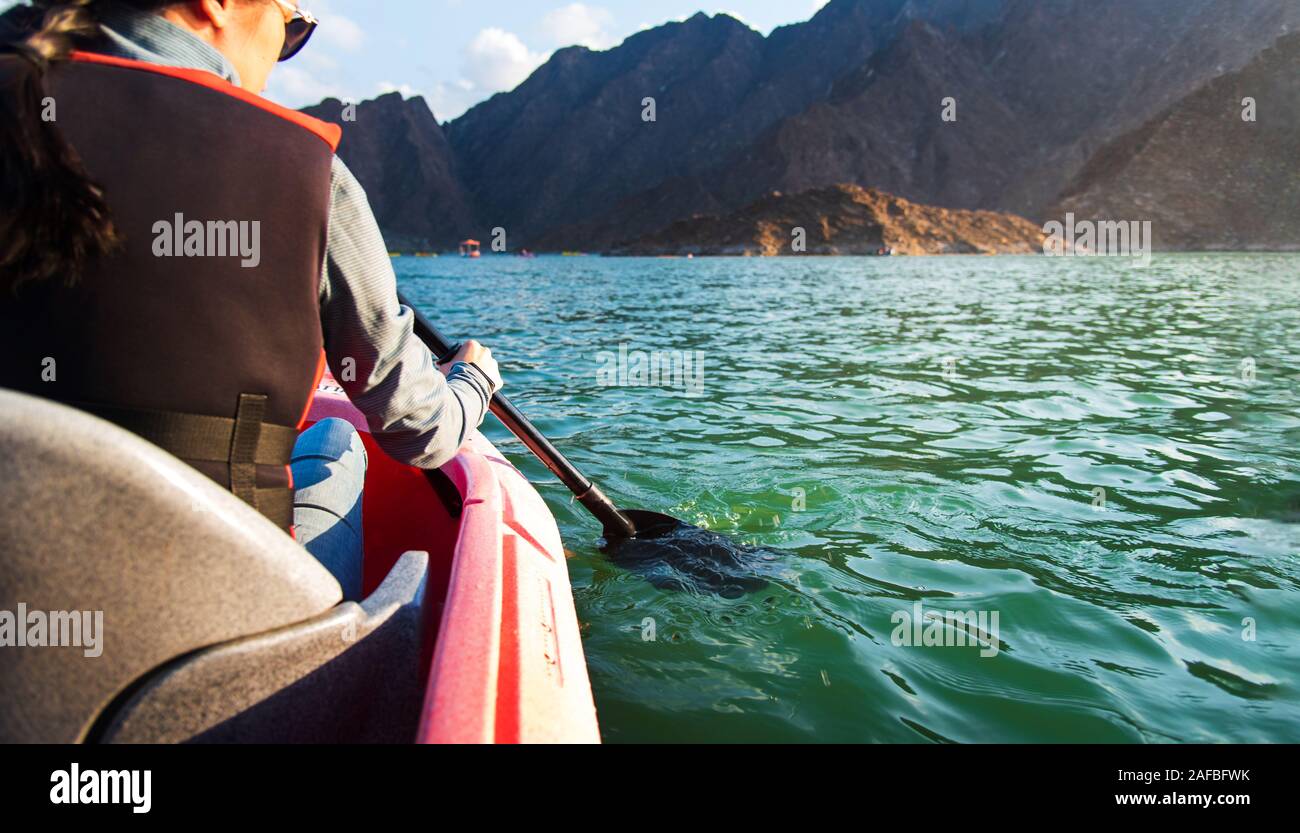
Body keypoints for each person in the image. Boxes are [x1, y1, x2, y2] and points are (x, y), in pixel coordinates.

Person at [0, 0, 504, 600]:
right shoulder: (312, 173)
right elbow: (420, 431)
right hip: (213, 626)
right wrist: (472, 379)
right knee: (339, 444)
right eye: (293, 30)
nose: (280, 59)